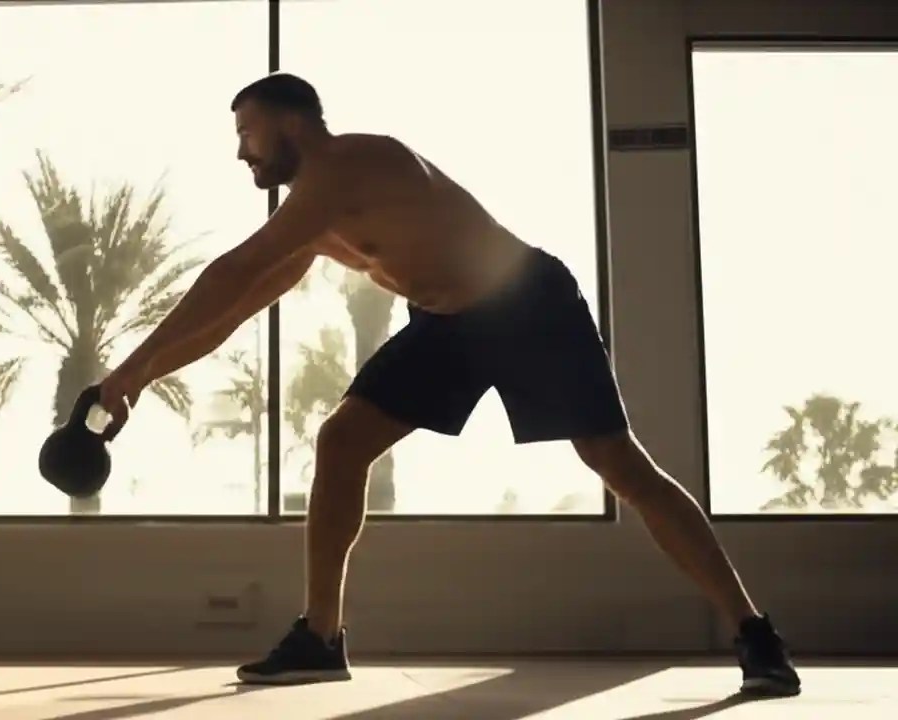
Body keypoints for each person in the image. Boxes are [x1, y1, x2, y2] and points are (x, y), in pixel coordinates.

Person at [95, 72, 801, 696]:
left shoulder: (349, 163)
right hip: (445, 324)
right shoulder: (314, 219)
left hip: (526, 299)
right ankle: (320, 638)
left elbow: (229, 272)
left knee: (618, 465)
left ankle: (756, 633)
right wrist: (139, 379)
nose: (242, 150)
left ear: (289, 122)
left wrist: (129, 368)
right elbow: (233, 306)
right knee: (342, 442)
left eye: (247, 131)